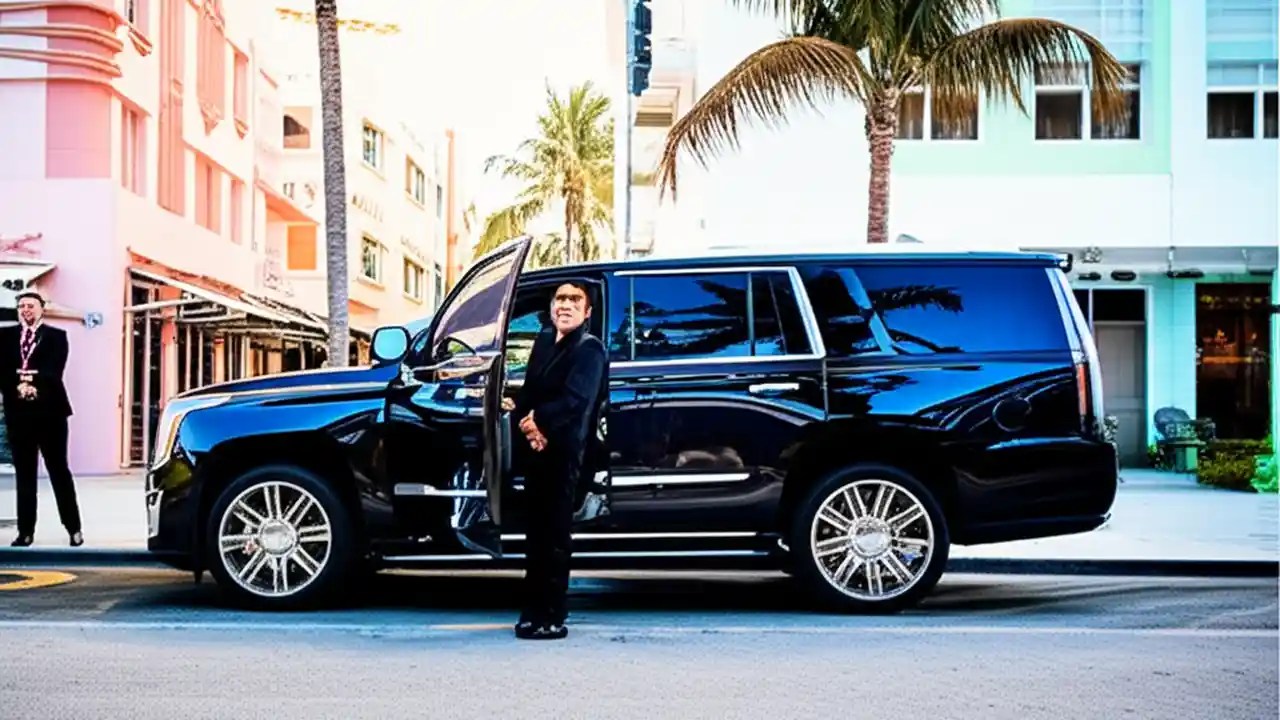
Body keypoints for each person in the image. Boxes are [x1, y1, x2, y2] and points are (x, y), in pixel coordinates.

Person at [509, 281, 607, 640]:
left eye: (574, 300)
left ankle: (552, 615)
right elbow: (529, 392)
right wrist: (524, 421)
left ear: (587, 312)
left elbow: (577, 401)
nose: (565, 305)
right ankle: (530, 611)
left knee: (554, 536)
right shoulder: (544, 341)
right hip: (537, 451)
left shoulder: (589, 349)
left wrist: (539, 422)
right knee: (535, 536)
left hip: (567, 452)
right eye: (560, 299)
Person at [0, 290, 82, 547]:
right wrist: (18, 385)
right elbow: (2, 371)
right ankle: (25, 532)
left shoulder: (57, 337)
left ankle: (74, 529)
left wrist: (32, 384)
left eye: (31, 305)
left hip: (51, 415)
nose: (26, 310)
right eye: (22, 306)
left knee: (59, 471)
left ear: (41, 308)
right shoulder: (5, 337)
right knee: (25, 475)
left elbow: (54, 370)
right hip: (18, 415)